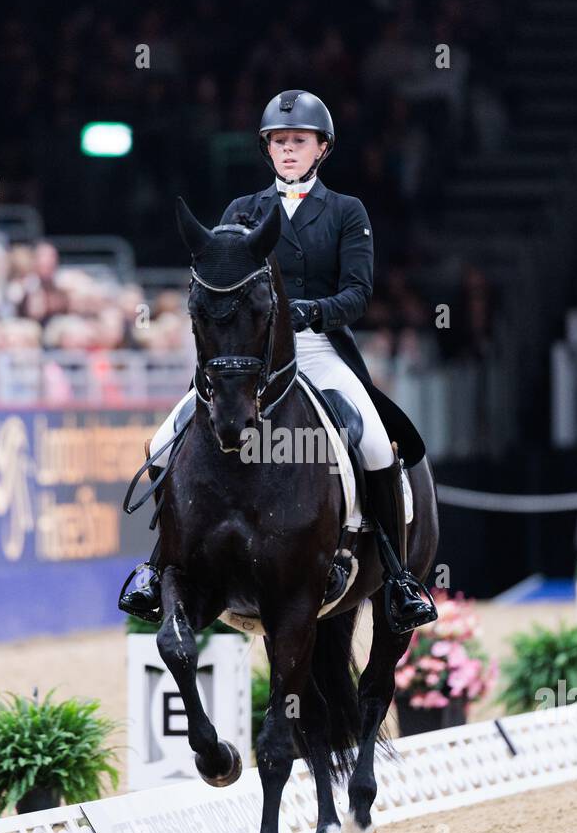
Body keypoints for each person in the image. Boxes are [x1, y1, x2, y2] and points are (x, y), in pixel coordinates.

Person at [121, 89, 437, 634]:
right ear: (267, 150)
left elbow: (359, 292)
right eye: (280, 142)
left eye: (300, 141)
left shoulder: (345, 212)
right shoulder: (242, 211)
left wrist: (313, 310)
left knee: (378, 447)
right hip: (246, 355)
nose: (289, 150)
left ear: (321, 148)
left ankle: (396, 575)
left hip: (316, 347)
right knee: (163, 440)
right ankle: (160, 565)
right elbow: (219, 281)